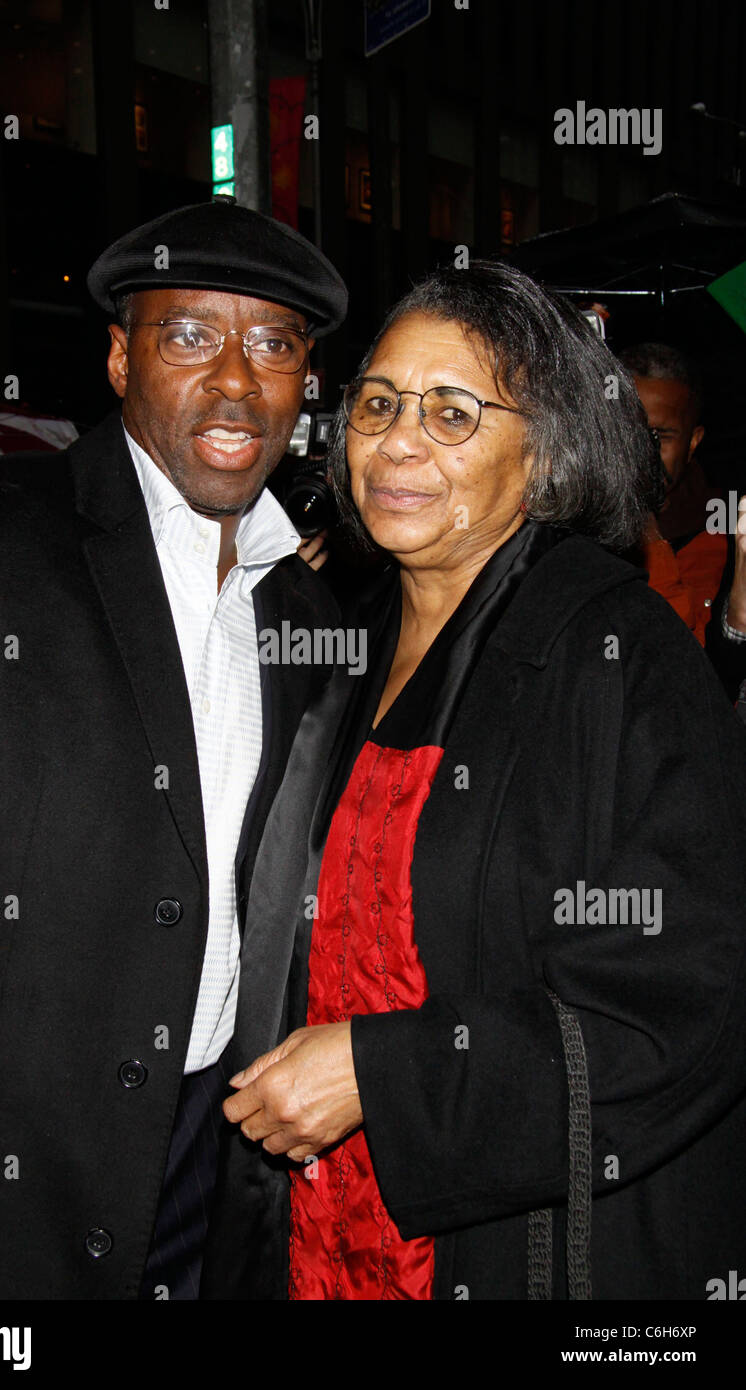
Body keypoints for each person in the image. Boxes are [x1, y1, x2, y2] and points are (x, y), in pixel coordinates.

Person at [201, 262, 746, 1301]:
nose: (398, 441)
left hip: (510, 1239)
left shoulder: (615, 655)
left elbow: (687, 993)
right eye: (376, 404)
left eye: (452, 413)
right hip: (318, 1224)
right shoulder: (337, 646)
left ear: (542, 453)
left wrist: (385, 1073)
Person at [0, 198, 346, 1299]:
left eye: (273, 345)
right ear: (116, 357)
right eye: (190, 335)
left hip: (199, 1162)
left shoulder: (309, 615)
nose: (236, 380)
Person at [619, 342, 746, 702]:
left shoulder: (728, 528)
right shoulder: (578, 524)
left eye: (661, 437)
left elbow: (698, 673)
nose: (643, 450)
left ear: (693, 442)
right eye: (630, 430)